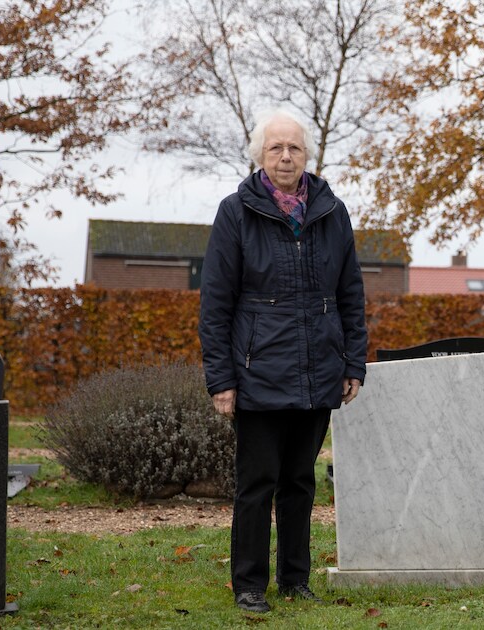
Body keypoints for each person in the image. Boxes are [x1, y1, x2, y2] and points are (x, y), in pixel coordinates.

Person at [199, 107, 368, 613]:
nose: (286, 156)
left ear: (307, 154)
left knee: (300, 483)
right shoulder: (236, 211)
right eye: (276, 148)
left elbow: (351, 294)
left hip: (319, 369)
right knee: (257, 484)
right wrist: (220, 379)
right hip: (257, 372)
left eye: (294, 147)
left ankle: (296, 579)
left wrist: (352, 363)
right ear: (260, 155)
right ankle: (249, 584)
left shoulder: (332, 212)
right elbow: (216, 302)